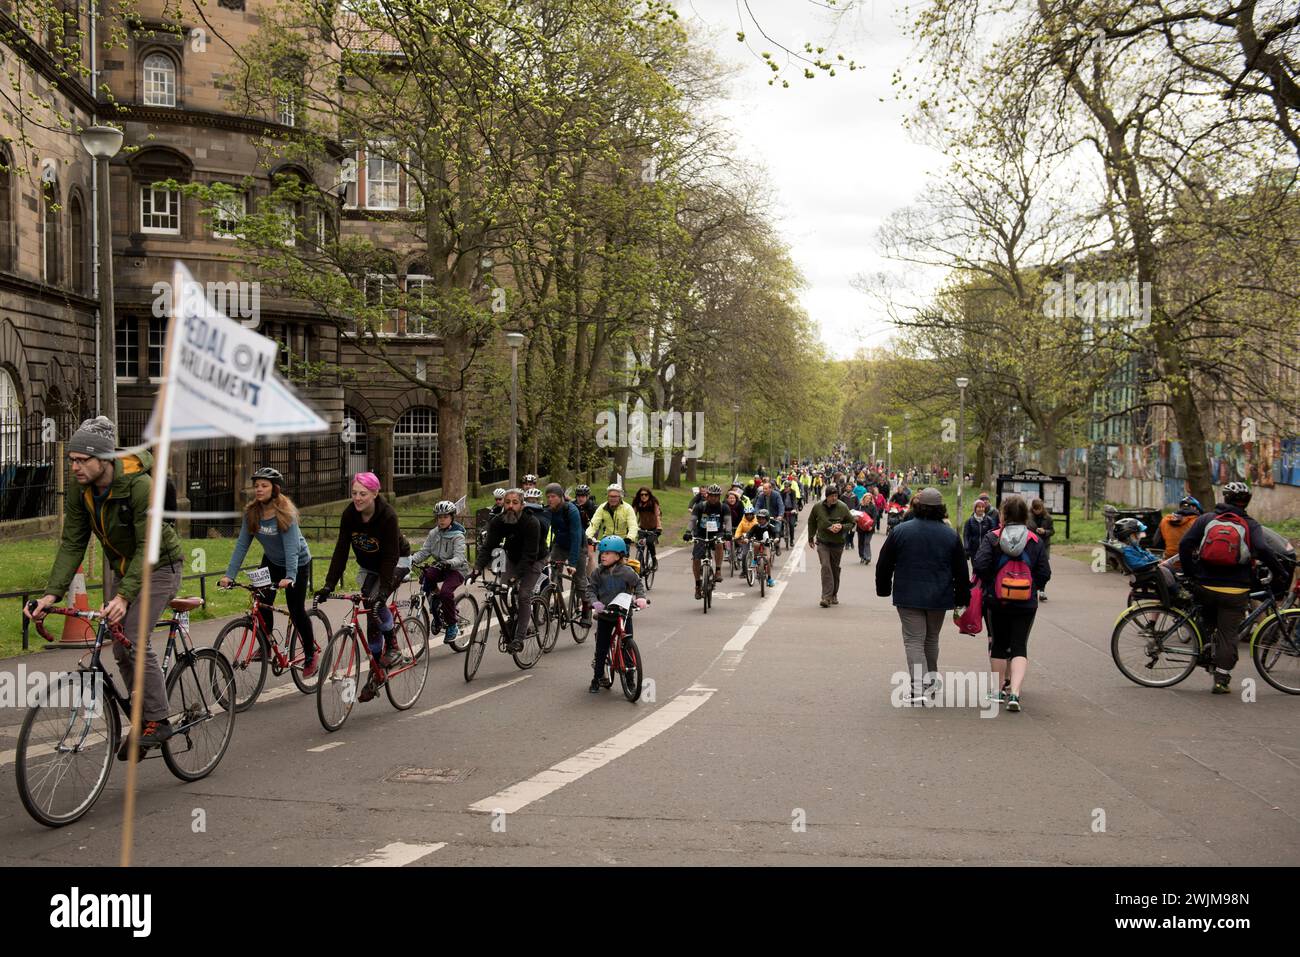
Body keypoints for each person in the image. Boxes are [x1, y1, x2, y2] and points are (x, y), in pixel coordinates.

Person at [28, 416, 183, 755]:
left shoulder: (140, 486)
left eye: (82, 460)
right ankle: (142, 716)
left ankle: (159, 720)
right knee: (119, 643)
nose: (75, 467)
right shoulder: (81, 490)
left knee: (135, 638)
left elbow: (148, 547)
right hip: (123, 567)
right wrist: (51, 593)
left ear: (104, 459)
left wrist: (125, 596)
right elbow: (73, 542)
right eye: (71, 460)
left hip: (159, 564)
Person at [1178, 482, 1288, 695]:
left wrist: (1192, 573)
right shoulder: (1250, 524)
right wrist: (1280, 571)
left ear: (1225, 498)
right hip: (1235, 590)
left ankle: (1203, 651)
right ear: (1247, 501)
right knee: (1228, 635)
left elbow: (1185, 545)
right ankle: (1221, 680)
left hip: (1205, 584)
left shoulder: (1206, 519)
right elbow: (1263, 549)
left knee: (1207, 621)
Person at [317, 472, 409, 702]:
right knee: (370, 613)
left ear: (375, 494)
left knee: (377, 603)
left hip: (397, 560)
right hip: (369, 566)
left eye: (363, 494)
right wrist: (329, 585)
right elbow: (341, 550)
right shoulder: (350, 514)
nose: (357, 498)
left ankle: (394, 646)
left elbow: (390, 556)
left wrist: (384, 593)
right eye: (354, 493)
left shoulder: (387, 515)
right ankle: (377, 672)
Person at [875, 488, 970, 705]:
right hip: (940, 595)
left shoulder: (901, 531)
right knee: (931, 638)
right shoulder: (950, 535)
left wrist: (883, 588)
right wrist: (962, 598)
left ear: (917, 507)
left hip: (908, 594)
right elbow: (961, 569)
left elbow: (884, 562)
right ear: (941, 509)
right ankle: (931, 681)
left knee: (913, 639)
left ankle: (918, 687)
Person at [220, 466, 317, 677]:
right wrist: (230, 575)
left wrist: (290, 576)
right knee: (261, 601)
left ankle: (310, 654)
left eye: (264, 486)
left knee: (296, 609)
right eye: (256, 486)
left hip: (297, 564)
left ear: (275, 489)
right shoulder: (252, 513)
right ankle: (265, 644)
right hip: (272, 561)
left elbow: (292, 548)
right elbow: (241, 546)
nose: (259, 489)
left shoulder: (285, 513)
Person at [973, 495, 1052, 713]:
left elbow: (980, 564)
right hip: (1026, 603)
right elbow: (1045, 572)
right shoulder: (1034, 539)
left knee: (998, 644)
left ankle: (998, 690)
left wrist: (991, 581)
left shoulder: (992, 538)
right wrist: (1031, 585)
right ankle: (1015, 693)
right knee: (1019, 645)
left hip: (996, 600)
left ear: (1003, 514)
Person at [471, 489, 545, 653]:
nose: (510, 506)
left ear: (522, 505)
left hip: (534, 558)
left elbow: (529, 555)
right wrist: (477, 568)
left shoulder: (531, 523)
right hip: (512, 557)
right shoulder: (498, 521)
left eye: (515, 503)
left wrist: (516, 577)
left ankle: (519, 638)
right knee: (503, 589)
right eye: (507, 502)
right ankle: (514, 616)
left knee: (524, 595)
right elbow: (488, 547)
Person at [582, 536, 648, 692]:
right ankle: (597, 678)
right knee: (602, 649)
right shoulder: (598, 572)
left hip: (624, 615)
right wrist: (595, 602)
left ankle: (630, 679)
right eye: (602, 552)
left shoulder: (627, 571)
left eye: (608, 553)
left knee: (628, 646)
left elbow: (638, 584)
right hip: (605, 615)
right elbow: (590, 590)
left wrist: (641, 598)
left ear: (619, 556)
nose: (603, 556)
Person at [410, 500, 470, 644]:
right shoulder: (434, 533)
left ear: (452, 518)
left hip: (456, 569)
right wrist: (410, 560)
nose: (442, 520)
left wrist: (448, 563)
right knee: (426, 576)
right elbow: (425, 552)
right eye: (439, 517)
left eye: (445, 517)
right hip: (440, 566)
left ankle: (452, 625)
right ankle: (437, 610)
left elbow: (460, 557)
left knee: (446, 592)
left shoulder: (458, 535)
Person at [544, 482, 589, 627]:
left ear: (561, 497)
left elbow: (576, 536)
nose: (550, 499)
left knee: (580, 580)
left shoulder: (571, 510)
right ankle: (558, 603)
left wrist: (573, 563)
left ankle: (586, 611)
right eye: (548, 497)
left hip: (578, 545)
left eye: (553, 496)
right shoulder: (549, 510)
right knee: (554, 575)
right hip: (560, 544)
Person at [807, 485, 853, 607]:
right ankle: (826, 597)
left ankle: (834, 594)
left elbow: (851, 522)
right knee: (826, 567)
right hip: (823, 542)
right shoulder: (818, 507)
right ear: (826, 497)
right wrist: (810, 537)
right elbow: (811, 521)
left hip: (837, 544)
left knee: (834, 569)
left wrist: (842, 527)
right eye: (832, 496)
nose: (834, 498)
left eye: (836, 496)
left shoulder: (842, 507)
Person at [685, 484, 730, 599]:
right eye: (711, 495)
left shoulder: (723, 507)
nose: (713, 498)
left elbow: (728, 521)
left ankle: (718, 571)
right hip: (701, 533)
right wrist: (688, 532)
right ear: (707, 496)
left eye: (716, 496)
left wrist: (728, 532)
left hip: (716, 533)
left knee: (719, 543)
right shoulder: (700, 506)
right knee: (696, 558)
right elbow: (693, 520)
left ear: (719, 496)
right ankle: (697, 585)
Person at [1027, 499, 1054, 601]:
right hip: (1032, 544)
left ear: (1042, 508)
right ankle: (1031, 588)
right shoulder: (1028, 517)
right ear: (1032, 508)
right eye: (1035, 509)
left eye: (1039, 509)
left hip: (1044, 545)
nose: (1037, 511)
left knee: (1043, 567)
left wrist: (1045, 532)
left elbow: (1052, 531)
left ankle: (1042, 591)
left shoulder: (1048, 518)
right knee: (1031, 566)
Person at [746, 509, 780, 588]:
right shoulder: (755, 526)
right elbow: (749, 533)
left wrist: (776, 538)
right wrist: (747, 538)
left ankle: (769, 578)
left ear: (767, 519)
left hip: (766, 545)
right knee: (755, 544)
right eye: (759, 518)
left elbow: (776, 534)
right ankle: (754, 559)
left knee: (767, 559)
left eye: (763, 518)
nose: (760, 520)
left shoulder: (770, 527)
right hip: (757, 542)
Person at [631, 486, 662, 572]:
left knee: (649, 542)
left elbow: (657, 515)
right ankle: (641, 564)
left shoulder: (653, 502)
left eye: (646, 494)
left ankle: (654, 560)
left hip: (653, 528)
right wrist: (631, 526)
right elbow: (633, 515)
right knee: (640, 545)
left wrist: (659, 527)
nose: (644, 496)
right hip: (642, 528)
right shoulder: (637, 503)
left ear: (649, 495)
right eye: (642, 495)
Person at [963, 498, 997, 568]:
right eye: (979, 507)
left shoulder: (989, 520)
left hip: (985, 549)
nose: (981, 509)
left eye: (982, 507)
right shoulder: (969, 521)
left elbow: (992, 534)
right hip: (974, 550)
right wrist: (966, 548)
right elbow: (966, 535)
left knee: (984, 568)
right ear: (975, 509)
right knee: (975, 568)